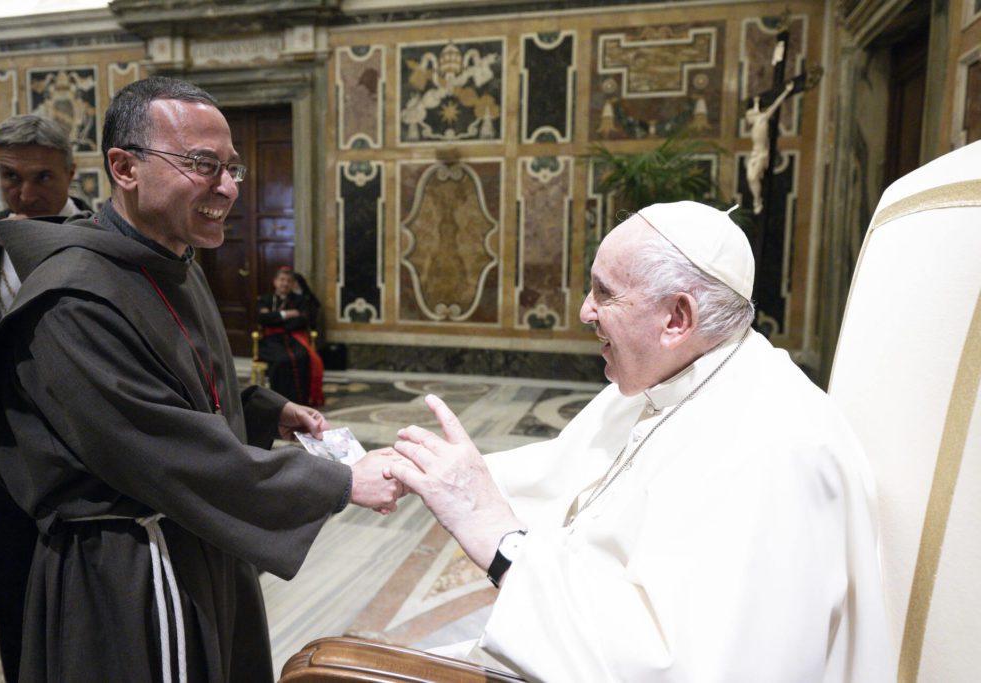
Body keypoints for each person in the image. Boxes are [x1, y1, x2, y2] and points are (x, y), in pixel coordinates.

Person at [0, 76, 403, 682]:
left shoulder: (168, 257)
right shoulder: (74, 299)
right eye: (202, 164)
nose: (227, 188)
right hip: (135, 572)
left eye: (232, 168)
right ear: (124, 167)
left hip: (194, 542)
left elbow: (175, 383)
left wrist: (263, 410)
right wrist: (336, 482)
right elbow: (164, 451)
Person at [387, 201, 894, 681]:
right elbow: (565, 467)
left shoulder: (776, 449)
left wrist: (501, 543)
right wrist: (422, 472)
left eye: (604, 293)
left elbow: (680, 666)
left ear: (677, 318)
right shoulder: (671, 374)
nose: (585, 311)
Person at [0, 114, 91, 682]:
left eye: (42, 178)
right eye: (11, 178)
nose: (26, 194)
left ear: (71, 172)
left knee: (89, 606)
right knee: (13, 602)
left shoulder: (105, 237)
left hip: (86, 463)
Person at [257, 267, 324, 406]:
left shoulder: (300, 300)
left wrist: (275, 319)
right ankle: (279, 402)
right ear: (275, 282)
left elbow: (304, 319)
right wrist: (287, 315)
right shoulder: (265, 299)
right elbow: (262, 318)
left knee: (302, 357)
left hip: (294, 338)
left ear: (293, 284)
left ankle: (300, 401)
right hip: (271, 341)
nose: (285, 284)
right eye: (282, 280)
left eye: (288, 281)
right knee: (281, 361)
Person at [744, 79, 794, 214]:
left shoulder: (762, 119)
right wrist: (756, 103)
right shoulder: (756, 122)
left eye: (749, 116)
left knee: (753, 177)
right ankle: (757, 198)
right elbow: (756, 109)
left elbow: (776, 104)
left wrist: (787, 91)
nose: (747, 119)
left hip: (762, 154)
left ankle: (757, 201)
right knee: (750, 177)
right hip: (754, 154)